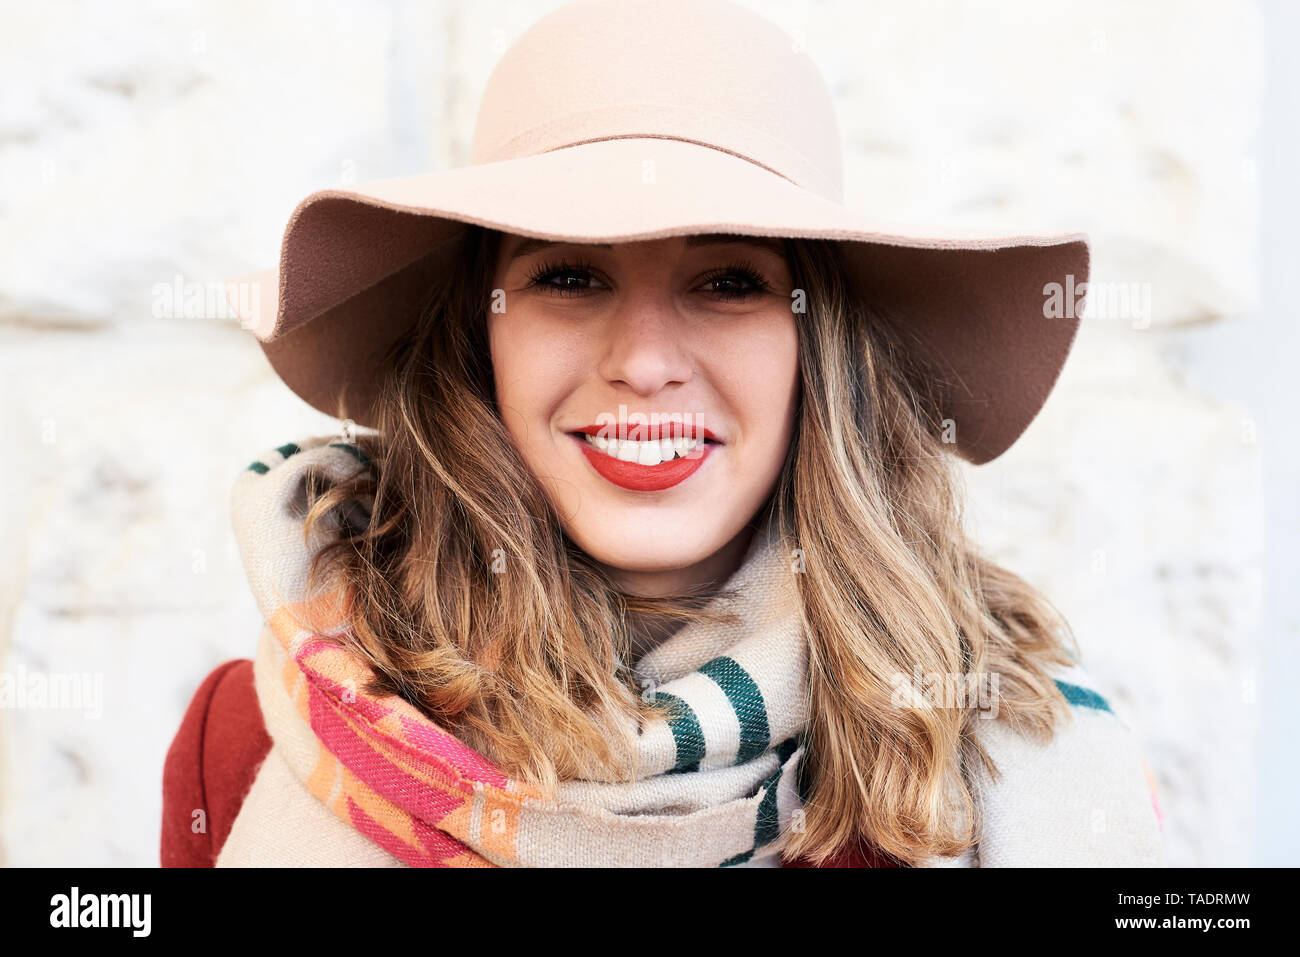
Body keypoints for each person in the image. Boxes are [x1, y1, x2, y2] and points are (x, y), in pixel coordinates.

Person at [161, 0, 1163, 868]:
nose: (644, 361)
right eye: (568, 275)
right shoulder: (249, 736)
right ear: (480, 340)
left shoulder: (1016, 750)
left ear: (820, 349)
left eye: (729, 281)